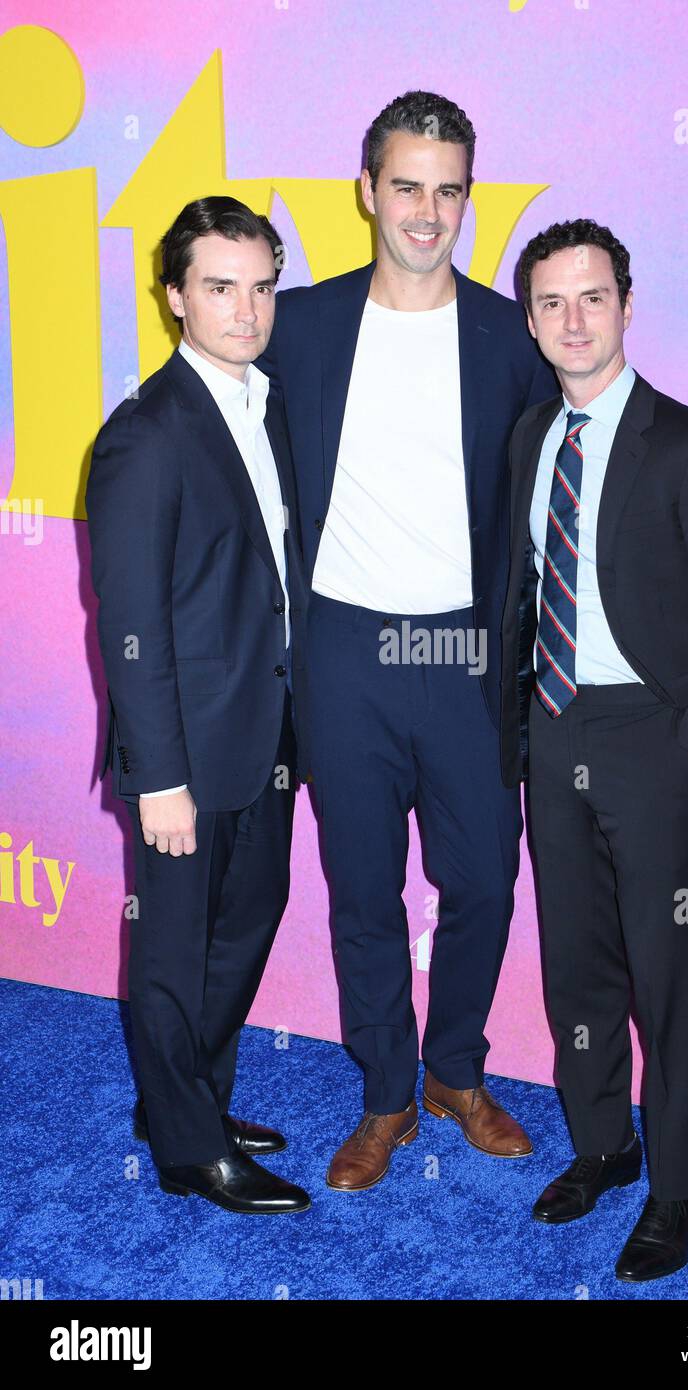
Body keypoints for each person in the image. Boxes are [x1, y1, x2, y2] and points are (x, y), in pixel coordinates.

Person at [257, 91, 557, 1191]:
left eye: (447, 189)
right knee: (363, 884)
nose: (426, 211)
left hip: (462, 656)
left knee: (481, 879)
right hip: (341, 648)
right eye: (406, 185)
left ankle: (455, 1071)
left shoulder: (508, 337)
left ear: (465, 197)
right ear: (367, 192)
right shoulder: (297, 326)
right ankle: (386, 1093)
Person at [500, 218, 688, 1278]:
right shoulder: (532, 440)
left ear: (626, 305)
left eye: (590, 298)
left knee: (661, 970)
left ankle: (677, 1184)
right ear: (529, 319)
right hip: (552, 724)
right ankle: (603, 1147)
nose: (571, 320)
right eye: (550, 302)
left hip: (651, 739)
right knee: (577, 966)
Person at [86, 196, 311, 1214]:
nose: (246, 309)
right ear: (175, 296)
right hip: (187, 752)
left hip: (265, 737)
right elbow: (127, 625)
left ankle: (187, 1099)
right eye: (220, 287)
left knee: (247, 921)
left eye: (261, 286)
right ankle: (185, 1147)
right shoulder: (146, 435)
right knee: (177, 951)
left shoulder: (268, 408)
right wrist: (158, 777)